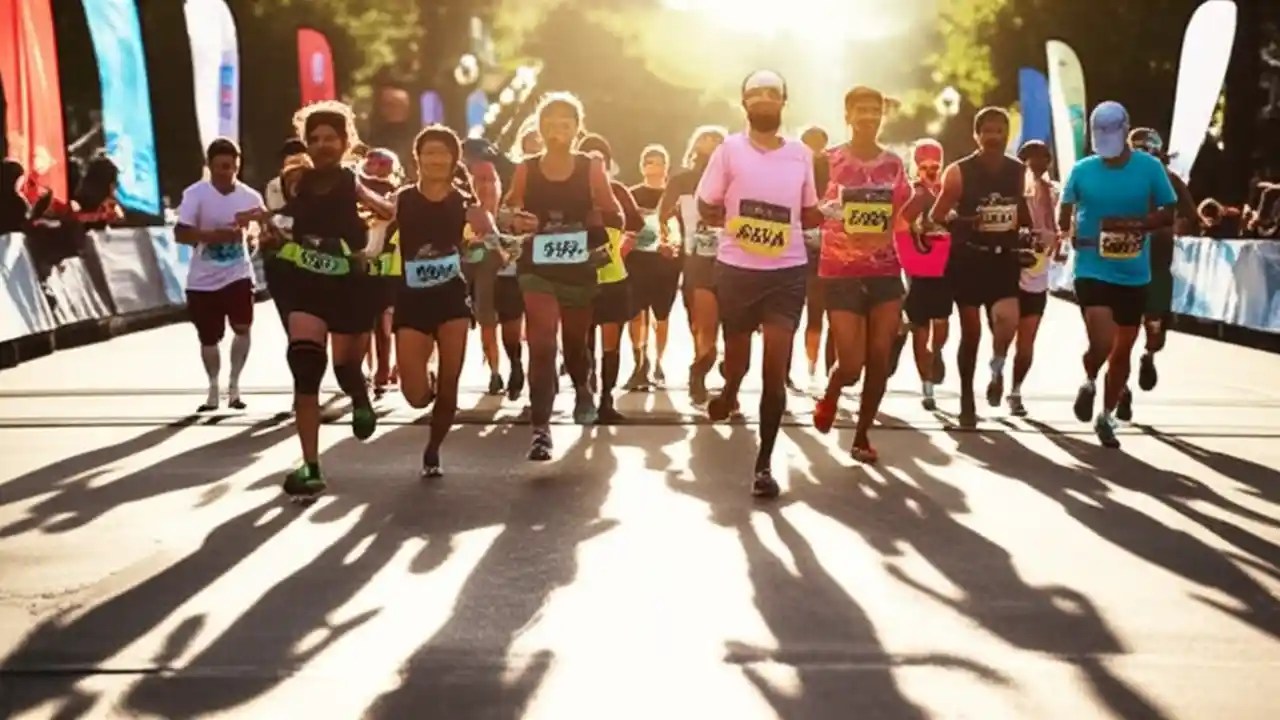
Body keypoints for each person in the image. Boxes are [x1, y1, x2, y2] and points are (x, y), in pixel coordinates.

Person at [254, 101, 393, 498]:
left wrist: (384, 218)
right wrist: (270, 230)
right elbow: (288, 220)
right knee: (306, 366)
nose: (322, 145)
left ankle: (361, 398)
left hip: (350, 287)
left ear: (346, 141)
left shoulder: (351, 180)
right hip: (308, 286)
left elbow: (385, 209)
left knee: (347, 367)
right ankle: (311, 465)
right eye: (314, 139)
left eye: (330, 138)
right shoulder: (300, 182)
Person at [696, 70, 822, 497]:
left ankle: (764, 464)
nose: (765, 100)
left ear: (784, 102)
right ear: (744, 102)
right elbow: (705, 200)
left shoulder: (802, 154)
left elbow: (809, 211)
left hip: (786, 272)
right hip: (737, 270)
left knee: (774, 370)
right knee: (738, 361)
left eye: (773, 94)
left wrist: (838, 214)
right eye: (756, 94)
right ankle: (730, 388)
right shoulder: (729, 150)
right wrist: (720, 218)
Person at [502, 92, 620, 460]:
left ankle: (583, 386)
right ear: (540, 127)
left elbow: (615, 213)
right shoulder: (527, 168)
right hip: (537, 267)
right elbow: (507, 210)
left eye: (565, 122)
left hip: (579, 268)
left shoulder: (590, 167)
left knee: (573, 347)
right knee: (541, 344)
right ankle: (541, 430)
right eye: (550, 122)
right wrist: (515, 220)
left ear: (576, 128)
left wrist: (593, 220)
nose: (557, 129)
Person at [1058, 102, 1177, 448]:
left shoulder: (1150, 168)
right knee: (1102, 341)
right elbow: (1065, 205)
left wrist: (1142, 223)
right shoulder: (1083, 170)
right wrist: (1066, 232)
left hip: (1134, 272)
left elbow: (1168, 210)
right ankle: (1090, 379)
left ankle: (1106, 416)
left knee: (1123, 350)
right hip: (1092, 267)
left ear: (1126, 131)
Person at [810, 87, 910, 463]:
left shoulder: (894, 164)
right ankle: (833, 392)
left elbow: (902, 213)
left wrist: (925, 222)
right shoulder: (827, 161)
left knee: (880, 358)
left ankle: (862, 435)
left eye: (875, 110)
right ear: (847, 115)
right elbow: (808, 205)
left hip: (885, 269)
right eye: (861, 110)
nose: (869, 116)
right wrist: (831, 211)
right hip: (841, 270)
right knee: (851, 364)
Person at [393, 125, 495, 476]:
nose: (437, 159)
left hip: (451, 299)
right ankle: (428, 389)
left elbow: (489, 231)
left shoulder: (464, 203)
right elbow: (374, 232)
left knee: (451, 380)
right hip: (411, 301)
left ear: (454, 160)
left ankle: (433, 449)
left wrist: (494, 229)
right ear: (417, 158)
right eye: (430, 152)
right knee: (415, 395)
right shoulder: (401, 199)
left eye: (444, 153)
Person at [930, 107, 1032, 427]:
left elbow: (1025, 212)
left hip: (1004, 259)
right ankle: (965, 400)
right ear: (977, 135)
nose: (993, 137)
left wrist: (1031, 235)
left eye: (999, 131)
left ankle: (998, 368)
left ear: (1007, 135)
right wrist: (966, 221)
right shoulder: (959, 172)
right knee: (971, 333)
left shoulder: (1019, 172)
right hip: (969, 259)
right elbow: (938, 215)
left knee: (1007, 324)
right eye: (987, 131)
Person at [173, 138, 266, 412]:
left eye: (232, 167)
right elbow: (181, 233)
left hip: (238, 273)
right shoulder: (195, 194)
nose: (227, 173)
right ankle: (213, 386)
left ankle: (234, 385)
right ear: (210, 166)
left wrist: (251, 238)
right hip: (203, 278)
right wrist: (211, 236)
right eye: (221, 167)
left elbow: (260, 232)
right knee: (209, 337)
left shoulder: (250, 197)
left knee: (243, 327)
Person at [658, 125, 728, 404]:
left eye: (717, 139)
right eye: (705, 138)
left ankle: (725, 373)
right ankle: (699, 370)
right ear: (694, 145)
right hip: (697, 258)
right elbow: (662, 216)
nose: (710, 142)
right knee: (704, 324)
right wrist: (668, 236)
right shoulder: (682, 180)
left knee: (733, 329)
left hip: (735, 259)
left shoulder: (737, 177)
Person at [1127, 128, 1197, 399]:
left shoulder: (1171, 180)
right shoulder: (1116, 179)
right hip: (1121, 265)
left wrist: (1174, 226)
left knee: (1154, 328)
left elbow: (1190, 216)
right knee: (1122, 330)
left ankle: (1148, 356)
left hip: (1156, 263)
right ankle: (1120, 387)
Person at [1005, 140, 1061, 417]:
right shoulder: (1013, 190)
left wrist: (1057, 244)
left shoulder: (1054, 192)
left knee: (1027, 340)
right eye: (1031, 158)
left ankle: (1015, 390)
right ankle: (995, 372)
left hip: (1037, 276)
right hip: (1009, 274)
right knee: (1002, 336)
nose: (1039, 163)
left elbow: (1061, 227)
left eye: (1044, 158)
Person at [467, 156, 526, 398]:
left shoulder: (509, 214)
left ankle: (515, 364)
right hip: (482, 279)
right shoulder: (466, 215)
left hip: (510, 280)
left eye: (491, 179)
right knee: (487, 326)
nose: (486, 186)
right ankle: (494, 373)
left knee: (512, 330)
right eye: (480, 180)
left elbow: (522, 243)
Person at [625, 144, 682, 389]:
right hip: (637, 260)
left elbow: (681, 227)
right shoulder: (631, 194)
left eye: (658, 161)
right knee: (636, 314)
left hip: (666, 261)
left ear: (666, 166)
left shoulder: (674, 195)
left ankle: (659, 362)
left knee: (662, 314)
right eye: (648, 161)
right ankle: (639, 361)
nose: (653, 166)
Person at [901, 139, 952, 410]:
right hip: (919, 272)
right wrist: (914, 236)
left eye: (935, 166)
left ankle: (938, 353)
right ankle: (927, 388)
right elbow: (899, 225)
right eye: (924, 166)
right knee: (920, 331)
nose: (930, 171)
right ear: (915, 167)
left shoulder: (949, 191)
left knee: (941, 326)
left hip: (944, 272)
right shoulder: (913, 194)